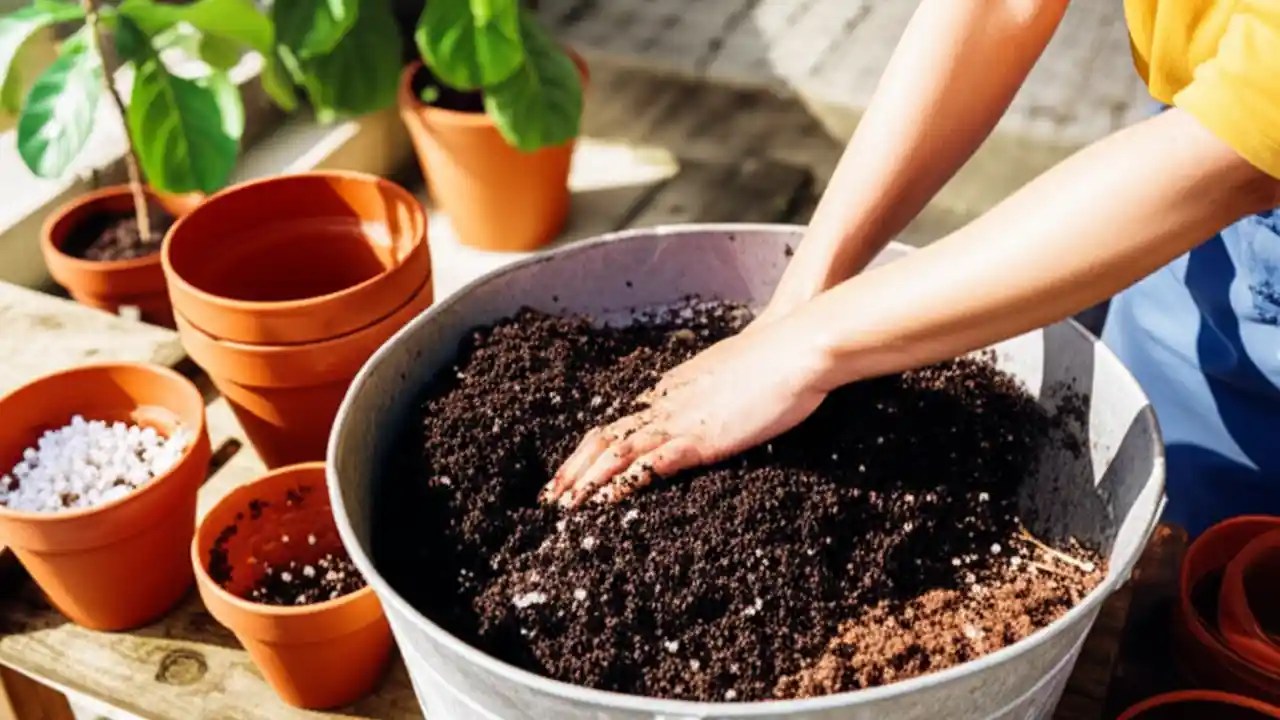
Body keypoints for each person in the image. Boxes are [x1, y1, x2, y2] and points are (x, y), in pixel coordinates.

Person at [542, 0, 1280, 537]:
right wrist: (797, 305)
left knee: (1240, 598)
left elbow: (1240, 146)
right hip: (1197, 158)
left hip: (1232, 161)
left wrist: (812, 348)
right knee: (1176, 561)